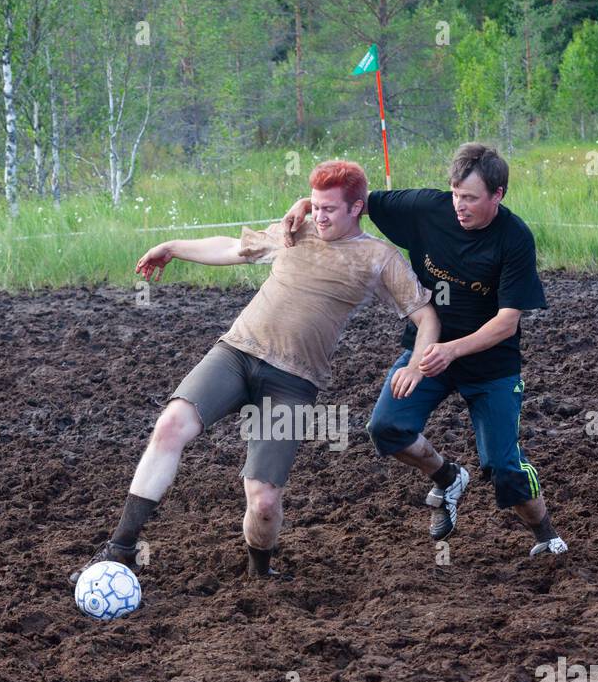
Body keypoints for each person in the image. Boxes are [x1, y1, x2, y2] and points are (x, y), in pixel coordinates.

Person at [86, 160, 440, 579]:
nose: (319, 215)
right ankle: (121, 547)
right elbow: (234, 249)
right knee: (170, 425)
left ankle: (259, 572)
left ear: (356, 208)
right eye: (315, 205)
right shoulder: (295, 230)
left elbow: (426, 316)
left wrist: (418, 365)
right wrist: (173, 247)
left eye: (329, 208)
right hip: (237, 352)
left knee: (265, 501)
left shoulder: (379, 258)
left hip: (294, 381)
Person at [282, 142, 567, 557]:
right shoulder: (425, 207)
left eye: (470, 198)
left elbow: (508, 322)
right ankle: (448, 477)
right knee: (386, 428)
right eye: (455, 193)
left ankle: (546, 535)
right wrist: (304, 204)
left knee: (503, 467)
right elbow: (351, 200)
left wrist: (452, 351)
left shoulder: (515, 238)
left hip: (491, 367)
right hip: (428, 349)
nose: (459, 206)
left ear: (498, 195)